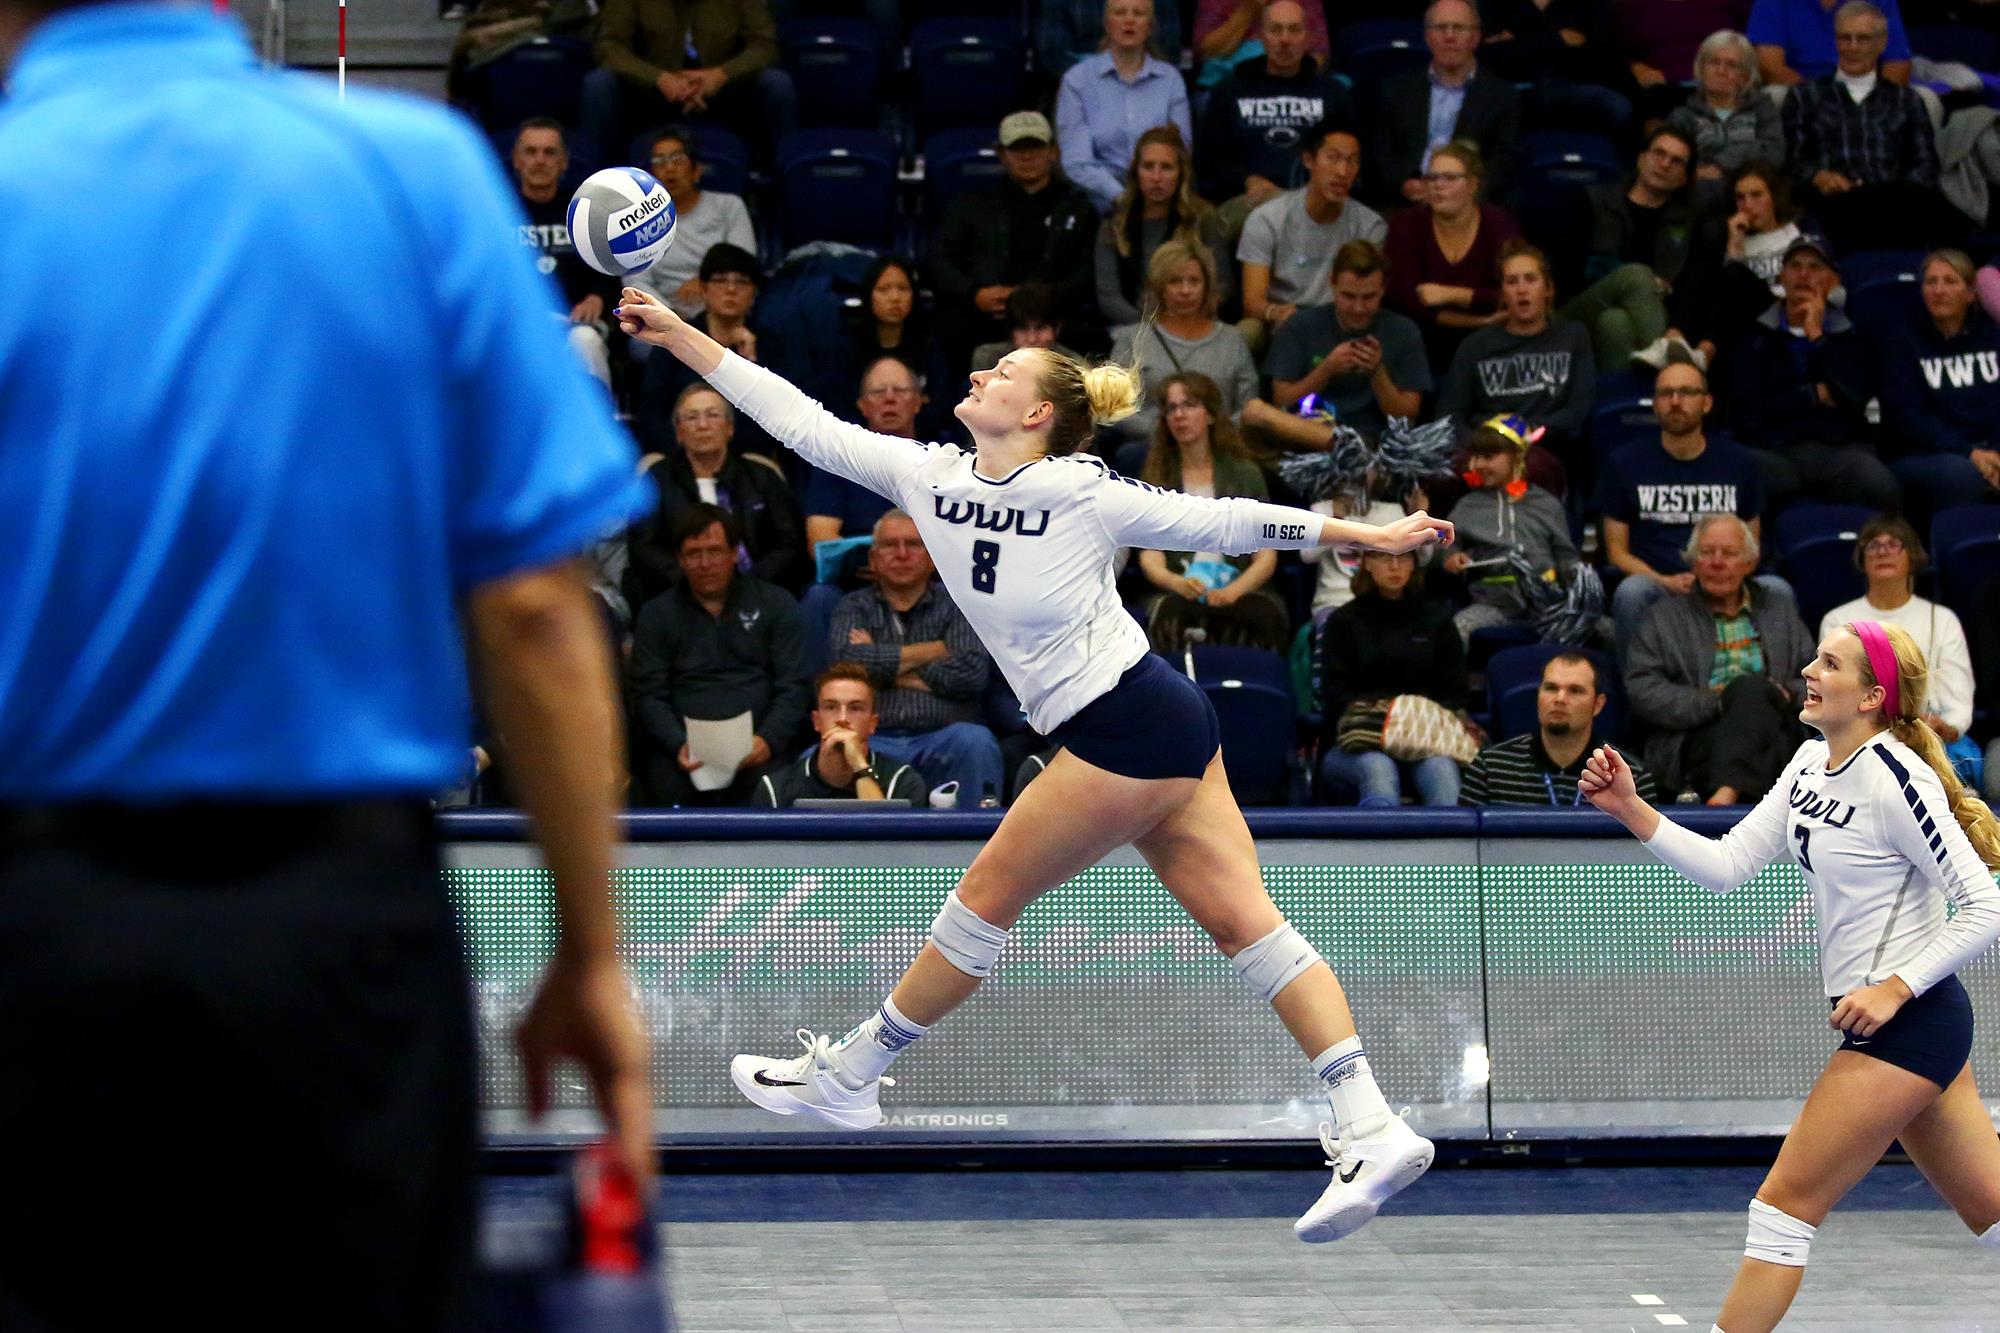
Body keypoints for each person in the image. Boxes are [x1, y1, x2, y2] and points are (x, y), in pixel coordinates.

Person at [0, 4, 655, 1326]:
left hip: (37, 935)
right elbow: (535, 604)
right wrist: (589, 954)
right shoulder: (408, 172)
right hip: (338, 934)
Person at [614, 280, 1456, 1243]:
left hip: (1126, 722)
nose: (980, 373)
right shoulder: (926, 473)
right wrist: (680, 335)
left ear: (1038, 415)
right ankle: (1372, 1123)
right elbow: (798, 421)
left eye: (1003, 371)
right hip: (1155, 726)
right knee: (1249, 930)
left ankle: (852, 1072)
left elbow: (1224, 521)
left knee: (983, 901)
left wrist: (1366, 533)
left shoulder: (1081, 490)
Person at [1580, 620, 2000, 1333]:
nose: (1809, 670)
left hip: (1911, 1022)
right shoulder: (1810, 761)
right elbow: (1727, 865)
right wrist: (1630, 808)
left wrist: (1894, 987)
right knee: (1992, 1213)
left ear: (1871, 696)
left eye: (1830, 663)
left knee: (1781, 1210)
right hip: (1904, 1022)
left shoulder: (1897, 778)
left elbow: (1985, 903)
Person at [1627, 513, 1817, 803]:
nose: (1717, 562)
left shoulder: (1779, 612)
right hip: (1700, 737)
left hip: (1778, 727)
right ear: (1693, 562)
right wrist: (1720, 701)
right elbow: (1644, 691)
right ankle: (1737, 792)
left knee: (1754, 695)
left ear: (1749, 563)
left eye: (1729, 553)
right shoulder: (1662, 618)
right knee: (1747, 692)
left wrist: (1785, 693)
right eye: (1707, 552)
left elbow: (1816, 678)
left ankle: (1728, 791)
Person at [627, 504, 809, 806]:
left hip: (761, 747)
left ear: (735, 553)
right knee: (660, 787)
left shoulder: (776, 603)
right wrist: (676, 743)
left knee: (773, 788)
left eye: (714, 551)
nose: (704, 563)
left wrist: (769, 739)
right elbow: (648, 695)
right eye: (693, 553)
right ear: (679, 559)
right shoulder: (656, 614)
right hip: (681, 752)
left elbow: (794, 685)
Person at [827, 510, 1007, 805]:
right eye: (890, 545)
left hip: (945, 736)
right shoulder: (852, 607)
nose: (902, 554)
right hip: (873, 738)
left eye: (913, 544)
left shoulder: (959, 605)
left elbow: (971, 674)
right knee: (819, 753)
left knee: (976, 741)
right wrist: (935, 650)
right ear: (873, 559)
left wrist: (879, 663)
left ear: (933, 557)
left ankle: (984, 835)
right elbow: (846, 666)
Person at [1597, 358, 1774, 650]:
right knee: (1631, 592)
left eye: (1687, 392)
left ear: (1707, 403)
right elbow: (1616, 552)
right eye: (1666, 394)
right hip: (1656, 583)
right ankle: (1634, 678)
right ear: (1655, 404)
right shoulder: (1623, 463)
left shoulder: (1740, 463)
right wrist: (1663, 580)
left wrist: (1718, 581)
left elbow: (1751, 546)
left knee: (1777, 590)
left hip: (1726, 579)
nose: (1676, 402)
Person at [1721, 235, 1901, 512]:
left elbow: (1856, 397)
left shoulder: (1854, 335)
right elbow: (1747, 411)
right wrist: (1813, 394)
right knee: (1738, 474)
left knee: (1879, 484)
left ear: (1833, 280)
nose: (1804, 275)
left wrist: (1817, 337)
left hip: (1840, 453)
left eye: (1815, 267)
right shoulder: (1755, 336)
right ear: (1782, 277)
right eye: (1795, 266)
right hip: (1775, 451)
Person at [1781, 1, 1958, 255]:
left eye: (1862, 39)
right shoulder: (1804, 97)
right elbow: (1793, 162)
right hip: (1833, 204)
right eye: (1845, 38)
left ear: (1881, 44)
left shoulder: (1906, 101)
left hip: (1893, 205)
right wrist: (1818, 176)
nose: (1852, 47)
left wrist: (1894, 191)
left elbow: (1925, 165)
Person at [1134, 373, 1292, 653]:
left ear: (1209, 414)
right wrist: (1176, 582)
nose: (1179, 415)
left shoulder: (1244, 473)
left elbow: (1266, 556)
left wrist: (1234, 591)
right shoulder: (1157, 476)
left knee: (1263, 616)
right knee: (1169, 615)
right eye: (1172, 408)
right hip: (1182, 587)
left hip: (1240, 585)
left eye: (1189, 405)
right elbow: (1150, 554)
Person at [932, 110, 1099, 373]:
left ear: (1053, 152)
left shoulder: (1078, 207)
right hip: (985, 316)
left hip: (1054, 317)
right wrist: (974, 293)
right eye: (1017, 148)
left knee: (1095, 339)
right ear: (1002, 154)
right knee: (947, 330)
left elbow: (1087, 270)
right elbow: (939, 259)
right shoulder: (971, 204)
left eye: (1036, 147)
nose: (1027, 156)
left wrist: (1044, 297)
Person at [624, 385, 803, 606]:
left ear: (730, 428)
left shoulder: (761, 477)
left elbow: (788, 544)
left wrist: (748, 586)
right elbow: (643, 548)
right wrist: (696, 585)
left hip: (759, 594)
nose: (702, 425)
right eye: (692, 417)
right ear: (678, 432)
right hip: (679, 599)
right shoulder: (656, 480)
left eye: (712, 415)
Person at [1317, 548, 1469, 807]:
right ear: (1366, 563)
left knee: (1441, 769)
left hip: (1424, 738)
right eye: (1385, 557)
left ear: (1414, 564)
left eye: (1404, 557)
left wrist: (1410, 722)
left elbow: (1454, 694)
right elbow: (1335, 697)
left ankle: (1450, 835)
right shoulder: (1343, 622)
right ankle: (1381, 835)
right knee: (1379, 768)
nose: (1395, 566)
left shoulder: (1437, 622)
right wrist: (1389, 719)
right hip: (1357, 742)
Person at [1819, 516, 1976, 751]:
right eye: (1874, 545)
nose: (1883, 552)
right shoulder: (1837, 620)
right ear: (1862, 559)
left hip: (1929, 735)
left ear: (1912, 557)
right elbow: (1833, 692)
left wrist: (1946, 727)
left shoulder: (1942, 619)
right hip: (1858, 737)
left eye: (1894, 544)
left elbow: (1958, 696)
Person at [1235, 119, 1387, 358]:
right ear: (1308, 160)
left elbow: (1366, 295)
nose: (1342, 171)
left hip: (1342, 321)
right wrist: (1275, 313)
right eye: (1333, 158)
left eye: (1352, 161)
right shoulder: (1267, 219)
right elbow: (1252, 301)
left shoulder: (1369, 226)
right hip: (1283, 322)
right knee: (1248, 331)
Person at [1438, 243, 1596, 470]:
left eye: (1531, 279)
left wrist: (1522, 432)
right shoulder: (1475, 346)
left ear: (1548, 289)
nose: (1522, 290)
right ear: (1502, 295)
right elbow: (1449, 416)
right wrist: (1484, 445)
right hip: (1485, 450)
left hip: (1545, 449)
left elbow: (1579, 409)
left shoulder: (1573, 337)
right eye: (1512, 282)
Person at [580, 0, 797, 165]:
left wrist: (722, 75)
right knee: (598, 84)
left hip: (724, 92)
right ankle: (597, 183)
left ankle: (779, 183)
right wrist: (658, 78)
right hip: (650, 94)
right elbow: (609, 47)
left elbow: (765, 45)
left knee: (777, 84)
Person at [1266, 239, 1431, 443]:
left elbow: (1407, 415)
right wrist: (1327, 369)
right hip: (1307, 430)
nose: (1358, 308)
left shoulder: (1404, 331)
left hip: (1369, 438)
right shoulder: (1300, 325)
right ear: (1332, 283)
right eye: (1349, 296)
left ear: (1383, 289)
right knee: (1256, 412)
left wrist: (1377, 372)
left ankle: (1343, 445)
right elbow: (1282, 402)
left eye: (1368, 297)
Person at [1879, 249, 2000, 527]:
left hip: (1988, 451)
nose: (1939, 290)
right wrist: (1969, 453)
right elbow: (1909, 417)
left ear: (1970, 293)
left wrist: (1995, 453)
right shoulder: (1902, 342)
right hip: (1926, 455)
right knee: (1961, 474)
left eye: (1950, 281)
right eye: (1931, 282)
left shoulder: (1993, 338)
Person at [1195, 2, 1352, 214]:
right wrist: (1246, 180)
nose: (1285, 39)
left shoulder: (1333, 93)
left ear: (1308, 38)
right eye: (1276, 30)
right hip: (1249, 202)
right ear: (1262, 37)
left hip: (1315, 200)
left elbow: (1352, 158)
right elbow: (1210, 163)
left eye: (1294, 30)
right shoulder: (1229, 91)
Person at [1383, 140, 1523, 375]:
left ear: (1472, 185)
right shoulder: (1406, 225)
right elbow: (1407, 303)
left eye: (1449, 178)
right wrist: (1481, 321)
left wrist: (1453, 295)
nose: (1438, 185)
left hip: (1489, 346)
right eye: (1432, 178)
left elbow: (1516, 292)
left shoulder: (1498, 224)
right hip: (1421, 345)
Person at [1440, 415, 1582, 644]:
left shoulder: (1546, 504)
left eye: (1488, 457)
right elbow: (1444, 540)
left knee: (1604, 629)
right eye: (1476, 457)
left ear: (1517, 456)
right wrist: (1450, 556)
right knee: (1458, 629)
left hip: (1547, 605)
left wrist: (1577, 590)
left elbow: (1566, 557)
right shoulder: (1468, 504)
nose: (1478, 465)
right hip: (1492, 605)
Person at [1568, 127, 1699, 372]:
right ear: (1640, 158)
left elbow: (1690, 287)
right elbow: (1570, 270)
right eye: (1659, 153)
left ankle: (1629, 394)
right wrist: (1643, 282)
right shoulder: (1595, 201)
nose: (1665, 164)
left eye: (1676, 161)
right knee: (1638, 275)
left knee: (1614, 323)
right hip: (1582, 308)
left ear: (1684, 178)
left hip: (1649, 315)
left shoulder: (1686, 221)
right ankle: (1674, 372)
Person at [1370, 0, 1522, 207]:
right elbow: (1382, 155)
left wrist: (1461, 192)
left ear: (1475, 37)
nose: (1449, 36)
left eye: (1458, 28)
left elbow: (1503, 165)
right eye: (1441, 28)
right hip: (1406, 205)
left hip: (1471, 207)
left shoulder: (1502, 97)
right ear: (1427, 37)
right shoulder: (1396, 90)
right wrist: (1405, 184)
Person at [1460, 654, 1660, 805]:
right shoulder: (1490, 767)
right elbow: (1464, 846)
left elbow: (1647, 847)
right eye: (1551, 688)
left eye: (1575, 690)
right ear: (1538, 696)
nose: (1560, 698)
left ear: (1598, 704)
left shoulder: (1630, 776)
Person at [1110, 242, 1261, 442]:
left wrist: (1211, 433)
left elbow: (1248, 405)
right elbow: (1115, 406)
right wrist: (1169, 431)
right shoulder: (1131, 339)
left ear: (1206, 286)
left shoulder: (1232, 340)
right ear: (1159, 286)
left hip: (1218, 444)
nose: (1185, 290)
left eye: (1194, 281)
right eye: (1175, 281)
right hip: (1150, 445)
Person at [634, 243, 772, 458]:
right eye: (720, 280)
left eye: (742, 282)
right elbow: (652, 410)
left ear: (754, 293)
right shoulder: (675, 339)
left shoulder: (770, 344)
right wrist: (687, 453)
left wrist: (751, 361)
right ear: (704, 289)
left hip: (744, 458)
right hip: (678, 455)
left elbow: (776, 417)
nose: (731, 289)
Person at [1056, 0, 1193, 215]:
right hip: (1098, 203)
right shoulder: (1077, 80)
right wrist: (1121, 196)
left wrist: (1149, 195)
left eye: (1138, 13)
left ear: (1150, 26)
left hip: (1159, 201)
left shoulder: (1170, 80)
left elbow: (1180, 150)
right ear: (1107, 24)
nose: (1129, 20)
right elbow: (1076, 162)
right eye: (1120, 12)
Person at [510, 118, 617, 390]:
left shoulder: (586, 212)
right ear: (517, 160)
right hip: (515, 323)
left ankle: (595, 417)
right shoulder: (497, 210)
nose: (540, 160)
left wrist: (597, 298)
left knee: (586, 343)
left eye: (549, 152)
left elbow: (610, 272)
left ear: (564, 162)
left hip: (575, 323)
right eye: (531, 152)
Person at [1095, 125, 1232, 329]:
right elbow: (1108, 297)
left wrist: (1180, 323)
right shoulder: (1114, 223)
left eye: (1166, 167)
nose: (1156, 177)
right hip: (1133, 328)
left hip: (1193, 324)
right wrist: (1151, 329)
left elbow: (1223, 286)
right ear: (1136, 172)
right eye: (1148, 166)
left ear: (1181, 173)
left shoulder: (1204, 219)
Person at [752, 664, 932, 807]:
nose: (843, 719)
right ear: (816, 721)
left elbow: (883, 840)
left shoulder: (903, 782)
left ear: (873, 724)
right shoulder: (775, 790)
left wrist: (859, 766)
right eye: (831, 707)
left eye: (855, 708)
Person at [627, 125, 755, 323]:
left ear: (697, 170)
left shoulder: (728, 206)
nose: (669, 169)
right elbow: (636, 280)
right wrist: (669, 315)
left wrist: (705, 282)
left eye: (677, 160)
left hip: (721, 310)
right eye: (660, 161)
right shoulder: (640, 218)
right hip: (662, 315)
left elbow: (742, 264)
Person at [803, 356, 925, 552]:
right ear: (862, 405)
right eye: (878, 392)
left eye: (900, 390)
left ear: (918, 402)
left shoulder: (943, 459)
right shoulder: (835, 464)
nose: (890, 398)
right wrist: (882, 559)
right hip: (860, 570)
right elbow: (820, 543)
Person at [1666, 29, 1785, 207]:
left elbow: (1774, 155)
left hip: (1754, 192)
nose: (1721, 71)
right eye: (1714, 62)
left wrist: (1719, 164)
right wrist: (1750, 150)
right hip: (1704, 197)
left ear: (1744, 76)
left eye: (1731, 65)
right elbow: (1677, 163)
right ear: (1701, 68)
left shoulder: (1763, 109)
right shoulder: (1683, 116)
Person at [1618, 0, 1760, 125]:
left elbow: (1751, 45)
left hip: (1721, 84)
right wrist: (1638, 69)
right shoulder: (1634, 5)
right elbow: (1622, 51)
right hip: (1664, 90)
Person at [1752, 0, 1914, 85]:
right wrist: (1822, 98)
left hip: (1867, 87)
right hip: (1800, 89)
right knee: (1776, 96)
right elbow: (1771, 67)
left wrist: (1874, 98)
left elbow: (1898, 64)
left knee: (1924, 98)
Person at [1037, 0, 1183, 88]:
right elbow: (1053, 52)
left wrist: (1134, 78)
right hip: (1082, 86)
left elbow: (1169, 51)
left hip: (1147, 85)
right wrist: (1103, 79)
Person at [970, 283, 1083, 374]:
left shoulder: (1075, 369)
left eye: (1040, 328)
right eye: (1022, 328)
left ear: (1057, 328)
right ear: (1011, 331)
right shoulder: (988, 359)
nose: (1032, 339)